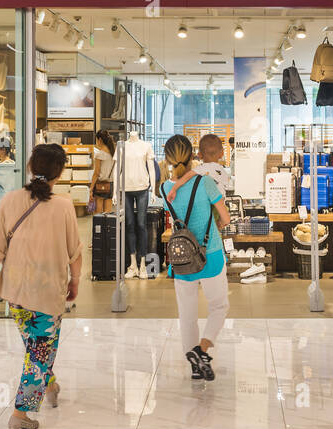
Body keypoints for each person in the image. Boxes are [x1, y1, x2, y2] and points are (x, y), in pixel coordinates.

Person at [0, 143, 83, 429]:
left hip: (15, 290)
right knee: (40, 352)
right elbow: (74, 252)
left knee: (36, 347)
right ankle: (20, 414)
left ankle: (49, 385)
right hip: (47, 290)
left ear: (30, 167)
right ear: (60, 172)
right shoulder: (64, 205)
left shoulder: (9, 200)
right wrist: (75, 282)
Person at [162, 134, 230, 381]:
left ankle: (194, 363)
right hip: (210, 254)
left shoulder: (164, 189)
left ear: (167, 158)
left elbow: (180, 185)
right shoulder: (206, 184)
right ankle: (202, 350)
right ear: (194, 156)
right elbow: (226, 218)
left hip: (182, 260)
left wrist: (178, 184)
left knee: (187, 315)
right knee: (219, 306)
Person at [120, 131, 156, 279]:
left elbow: (151, 168)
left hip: (142, 188)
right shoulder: (122, 146)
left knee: (141, 224)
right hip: (126, 189)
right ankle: (132, 264)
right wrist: (116, 192)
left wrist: (153, 190)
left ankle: (142, 264)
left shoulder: (146, 145)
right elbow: (118, 169)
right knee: (129, 224)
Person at [90, 129, 115, 214]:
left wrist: (91, 188)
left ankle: (100, 228)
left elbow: (96, 173)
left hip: (100, 184)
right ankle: (108, 227)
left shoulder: (100, 154)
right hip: (111, 184)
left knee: (98, 214)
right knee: (108, 212)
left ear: (100, 139)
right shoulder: (113, 152)